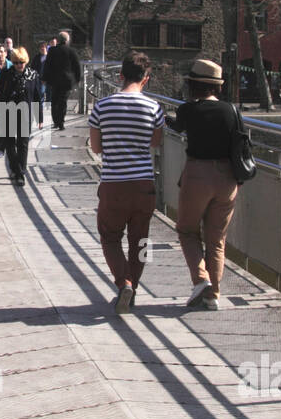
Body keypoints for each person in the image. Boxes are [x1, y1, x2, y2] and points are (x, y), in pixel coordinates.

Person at [88, 51, 164, 312]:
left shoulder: (101, 107)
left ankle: (124, 283)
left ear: (120, 76)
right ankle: (134, 287)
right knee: (141, 241)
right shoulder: (154, 108)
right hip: (144, 184)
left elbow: (96, 148)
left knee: (110, 237)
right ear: (146, 78)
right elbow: (156, 142)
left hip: (114, 184)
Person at [166, 58, 238, 312]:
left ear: (194, 85)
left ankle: (201, 279)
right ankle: (213, 296)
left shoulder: (188, 110)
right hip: (228, 178)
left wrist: (162, 113)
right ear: (216, 86)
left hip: (198, 174)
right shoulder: (232, 111)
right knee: (216, 239)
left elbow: (175, 126)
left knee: (187, 229)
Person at [0, 47, 40, 186]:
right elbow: (0, 94)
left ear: (26, 61)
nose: (19, 65)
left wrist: (40, 117)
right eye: (15, 62)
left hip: (26, 113)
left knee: (23, 143)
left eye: (21, 62)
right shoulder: (7, 74)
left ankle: (20, 172)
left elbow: (38, 97)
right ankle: (16, 168)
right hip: (8, 112)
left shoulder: (33, 75)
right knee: (9, 143)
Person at [42, 30, 81, 131]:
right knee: (63, 101)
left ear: (58, 40)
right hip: (67, 80)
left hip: (55, 80)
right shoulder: (71, 51)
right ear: (67, 40)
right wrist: (77, 80)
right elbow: (77, 67)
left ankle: (55, 121)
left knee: (54, 100)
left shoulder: (52, 51)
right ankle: (61, 121)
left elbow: (47, 66)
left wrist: (44, 78)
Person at [30, 40, 50, 125]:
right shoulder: (36, 57)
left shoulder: (49, 57)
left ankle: (46, 112)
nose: (42, 49)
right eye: (40, 47)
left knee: (49, 97)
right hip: (39, 80)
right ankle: (39, 116)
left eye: (43, 47)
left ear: (46, 48)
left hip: (48, 80)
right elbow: (32, 68)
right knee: (40, 97)